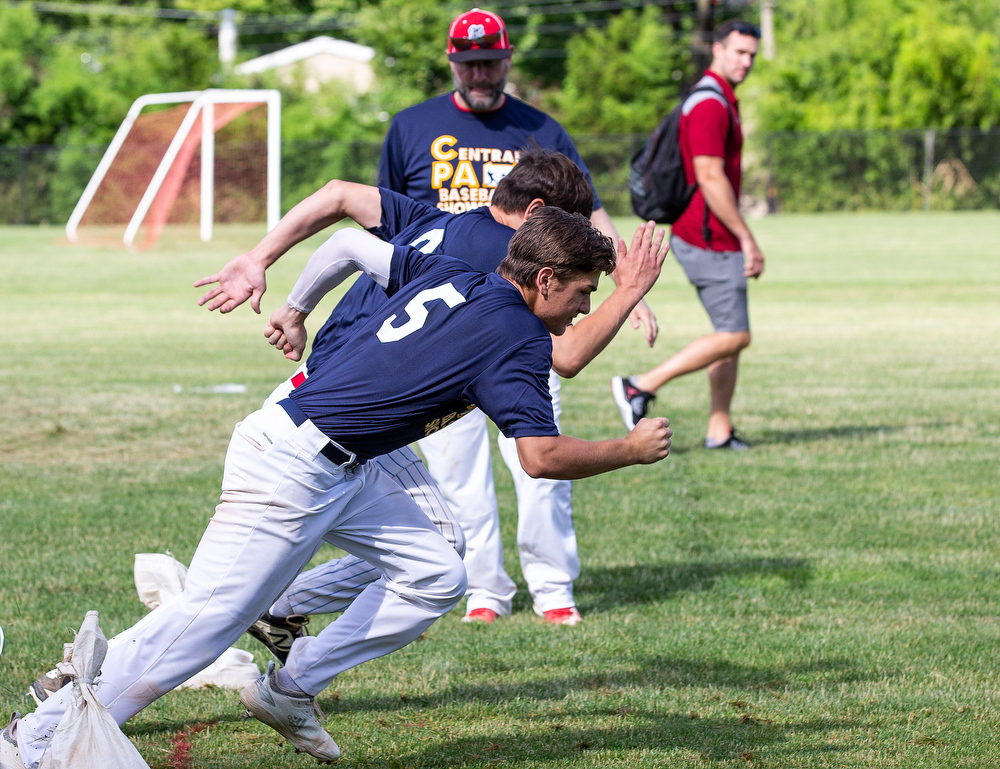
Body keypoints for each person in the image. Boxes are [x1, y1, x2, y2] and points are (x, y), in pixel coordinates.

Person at [4, 208, 672, 769]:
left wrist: (298, 306)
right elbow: (541, 455)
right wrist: (632, 449)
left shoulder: (459, 277)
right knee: (202, 626)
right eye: (583, 291)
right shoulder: (517, 334)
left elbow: (350, 243)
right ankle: (37, 739)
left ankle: (290, 685)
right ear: (546, 278)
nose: (584, 305)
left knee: (438, 570)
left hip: (336, 459)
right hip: (293, 465)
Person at [193, 149, 661, 659]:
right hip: (347, 415)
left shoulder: (438, 220)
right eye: (565, 225)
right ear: (535, 215)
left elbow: (338, 196)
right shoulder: (506, 260)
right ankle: (256, 616)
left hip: (320, 396)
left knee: (435, 542)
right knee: (434, 549)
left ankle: (255, 611)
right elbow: (565, 356)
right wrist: (630, 291)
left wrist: (279, 285)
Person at [377, 6, 656, 625]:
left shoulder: (541, 129)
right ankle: (485, 588)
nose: (480, 72)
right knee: (456, 465)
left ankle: (553, 587)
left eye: (491, 61)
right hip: (445, 323)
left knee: (540, 451)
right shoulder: (410, 126)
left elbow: (589, 210)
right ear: (452, 62)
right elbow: (390, 223)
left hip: (532, 314)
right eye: (468, 62)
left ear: (507, 60)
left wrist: (626, 286)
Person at [611, 19, 765, 450]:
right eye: (738, 52)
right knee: (736, 335)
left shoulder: (719, 99)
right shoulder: (710, 103)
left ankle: (720, 429)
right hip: (707, 238)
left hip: (714, 236)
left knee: (727, 336)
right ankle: (639, 386)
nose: (746, 61)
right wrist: (747, 239)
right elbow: (709, 176)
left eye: (752, 54)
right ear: (717, 49)